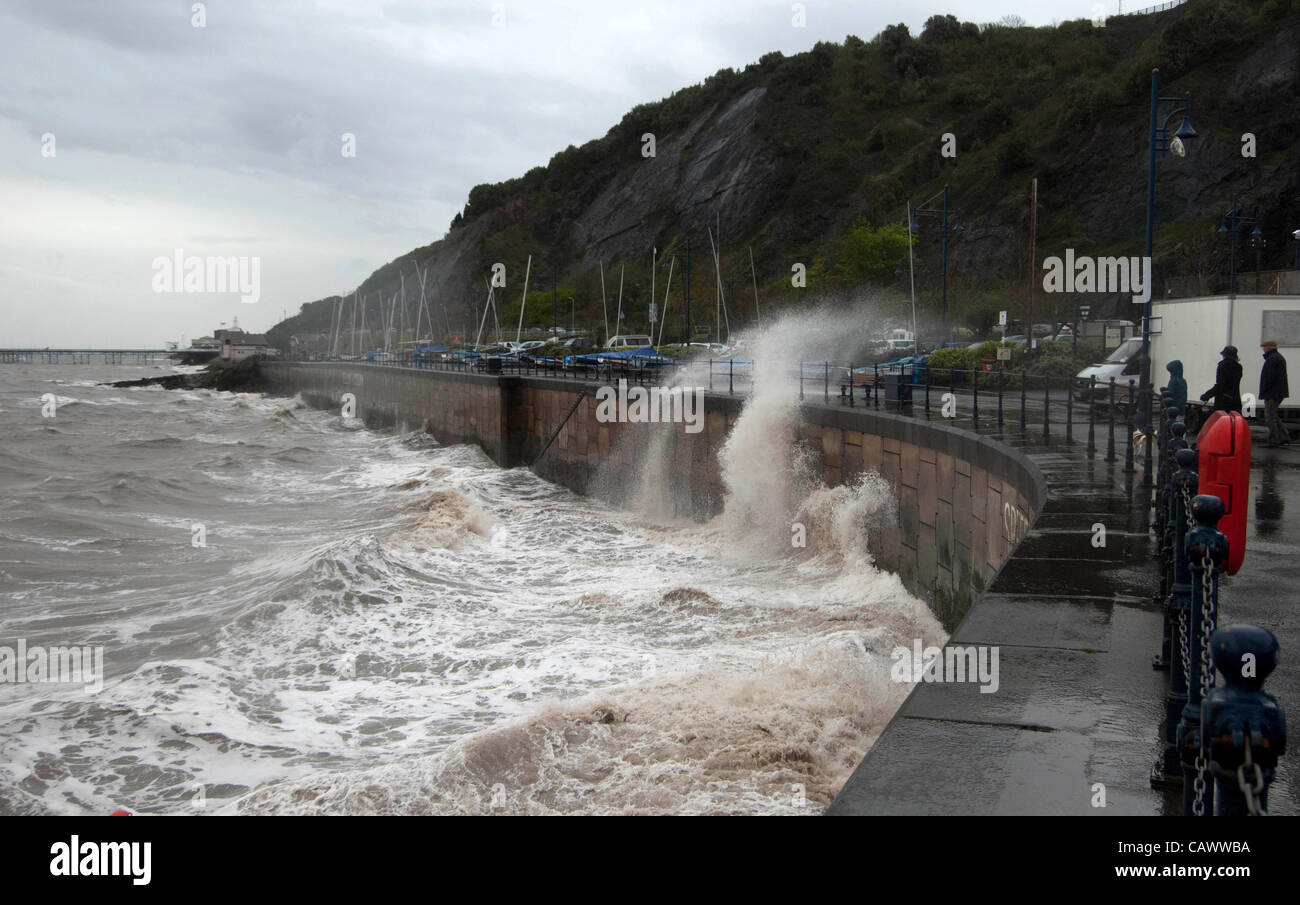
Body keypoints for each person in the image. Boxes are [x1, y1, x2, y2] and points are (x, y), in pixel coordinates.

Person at [1260, 339, 1290, 446]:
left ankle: (1274, 439)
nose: (1263, 349)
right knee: (1274, 415)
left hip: (1272, 393)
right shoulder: (1278, 358)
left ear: (1269, 347)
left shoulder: (1272, 359)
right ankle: (1284, 436)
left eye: (1264, 347)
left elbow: (1269, 378)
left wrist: (1264, 391)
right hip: (1278, 392)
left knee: (1269, 417)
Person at [1200, 346, 1242, 414]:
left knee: (1223, 422)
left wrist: (1207, 395)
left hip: (1223, 402)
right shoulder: (1239, 367)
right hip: (1235, 401)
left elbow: (1220, 385)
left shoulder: (1222, 366)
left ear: (1225, 355)